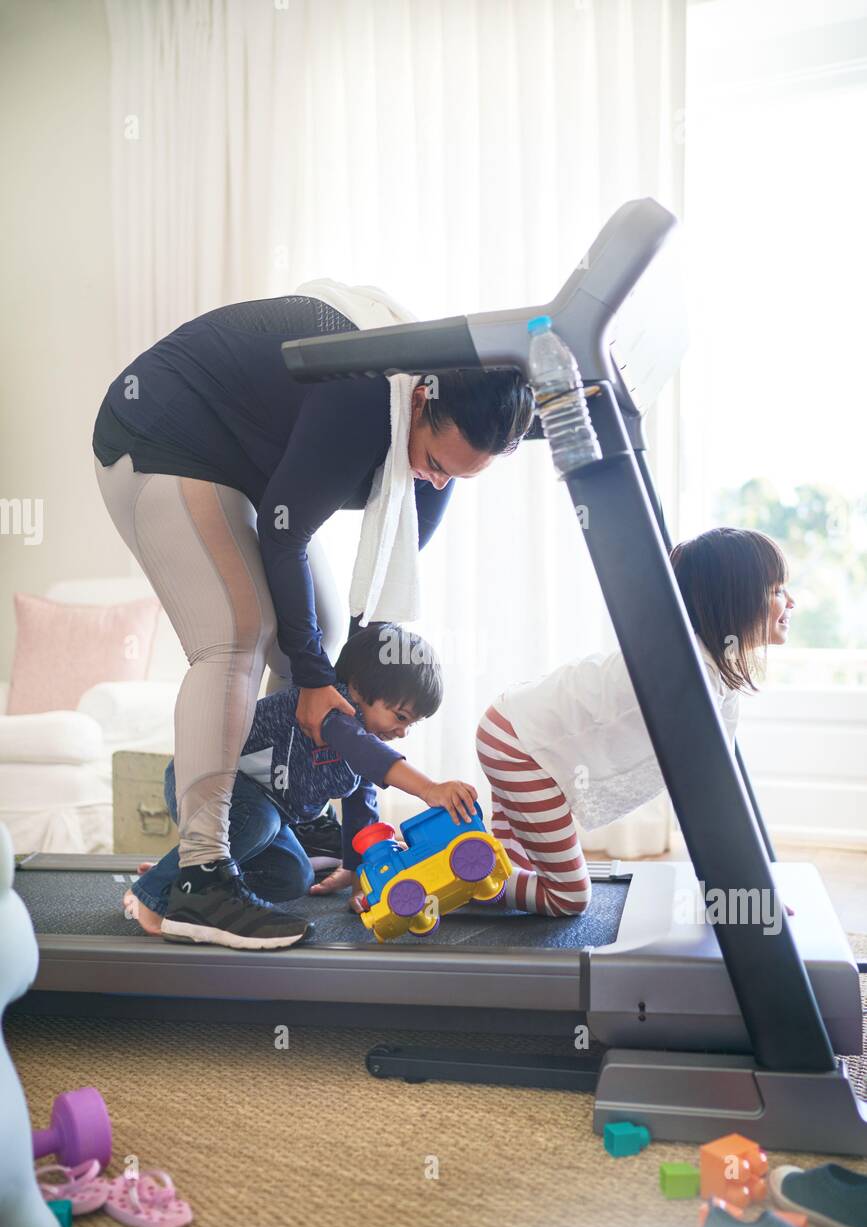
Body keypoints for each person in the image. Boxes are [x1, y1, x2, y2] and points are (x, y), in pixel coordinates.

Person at [93, 293, 534, 941]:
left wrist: (338, 690)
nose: (435, 484)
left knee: (322, 641)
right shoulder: (361, 395)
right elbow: (284, 535)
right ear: (417, 403)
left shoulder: (428, 439)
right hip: (160, 432)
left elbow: (372, 615)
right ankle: (199, 876)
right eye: (436, 465)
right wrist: (312, 680)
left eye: (455, 480)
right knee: (236, 636)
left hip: (240, 468)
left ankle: (279, 808)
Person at [475, 529, 795, 917]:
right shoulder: (689, 673)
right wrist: (747, 893)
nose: (791, 602)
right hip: (519, 745)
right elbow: (708, 800)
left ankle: (478, 863)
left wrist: (743, 889)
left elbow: (719, 783)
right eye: (777, 590)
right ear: (734, 598)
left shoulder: (717, 674)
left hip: (521, 727)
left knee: (515, 864)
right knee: (568, 898)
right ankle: (478, 881)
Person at [124, 623, 478, 948]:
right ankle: (150, 896)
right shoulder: (332, 710)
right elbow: (368, 754)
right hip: (205, 785)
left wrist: (359, 876)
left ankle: (184, 874)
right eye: (400, 717)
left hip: (263, 813)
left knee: (294, 876)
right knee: (261, 821)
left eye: (410, 725)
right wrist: (429, 789)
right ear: (356, 688)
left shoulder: (361, 738)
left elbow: (361, 809)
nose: (401, 732)